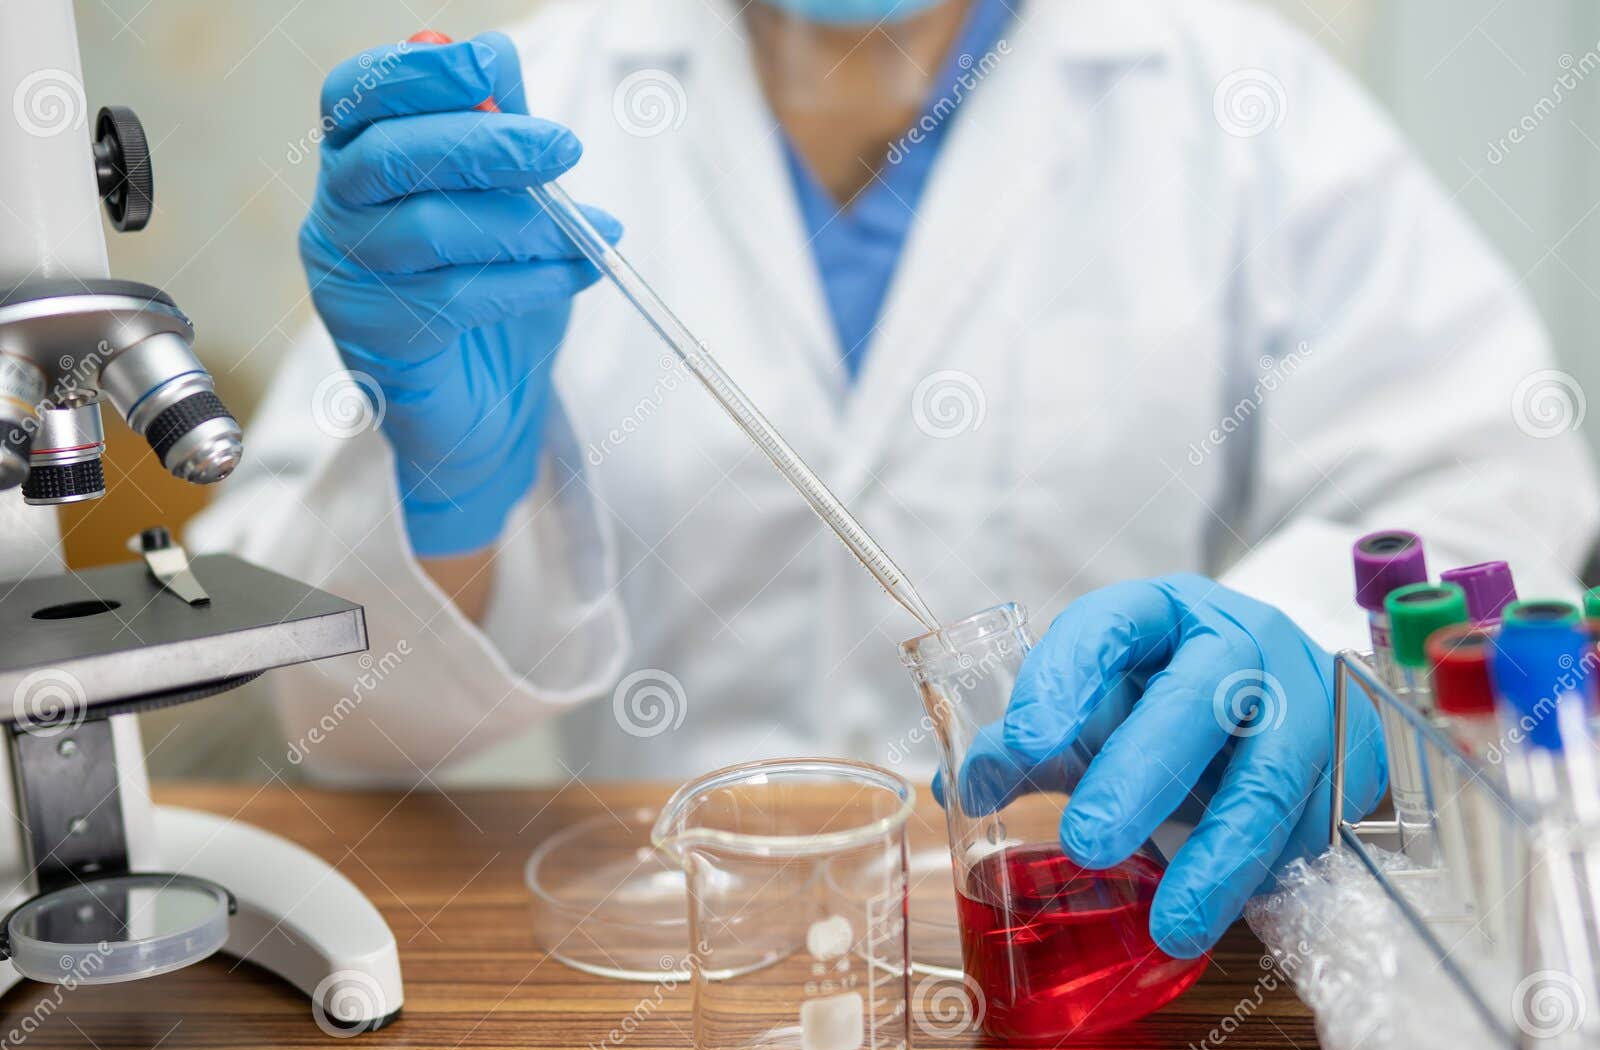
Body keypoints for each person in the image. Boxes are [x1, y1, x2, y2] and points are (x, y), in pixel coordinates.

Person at [191, 0, 1600, 956]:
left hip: (1092, 948)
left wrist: (1303, 649)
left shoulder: (1234, 95)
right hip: (681, 970)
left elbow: (1485, 477)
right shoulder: (531, 120)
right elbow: (328, 709)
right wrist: (446, 499)